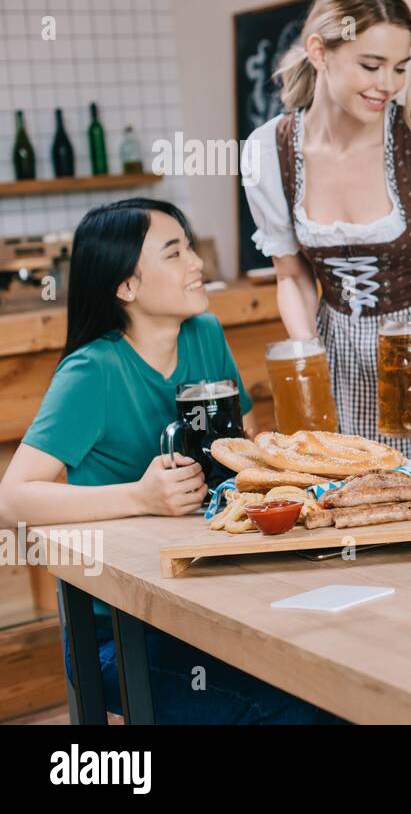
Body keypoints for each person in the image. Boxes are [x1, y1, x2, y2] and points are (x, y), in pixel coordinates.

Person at [0, 199, 338, 722]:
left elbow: (240, 440)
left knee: (334, 682)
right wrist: (139, 497)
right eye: (174, 252)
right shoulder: (92, 371)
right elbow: (11, 500)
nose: (197, 262)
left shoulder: (204, 334)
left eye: (190, 246)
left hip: (212, 603)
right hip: (121, 632)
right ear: (126, 287)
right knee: (297, 710)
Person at [241, 0, 411, 459]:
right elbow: (292, 276)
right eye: (371, 65)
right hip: (337, 357)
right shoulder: (269, 150)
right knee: (357, 501)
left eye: (400, 68)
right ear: (319, 52)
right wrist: (307, 351)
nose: (388, 84)